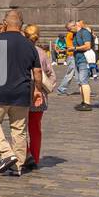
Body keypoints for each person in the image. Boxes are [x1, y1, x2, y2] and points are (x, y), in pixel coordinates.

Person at [0, 11, 43, 176]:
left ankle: (6, 154)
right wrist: (37, 90)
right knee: (19, 130)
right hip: (22, 93)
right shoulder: (29, 44)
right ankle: (18, 167)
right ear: (21, 25)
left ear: (5, 23)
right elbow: (37, 72)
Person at [20, 24, 55, 170]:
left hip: (21, 93)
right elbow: (51, 75)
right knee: (35, 128)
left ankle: (26, 155)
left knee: (19, 128)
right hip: (38, 95)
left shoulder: (19, 51)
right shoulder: (42, 52)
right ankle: (34, 157)